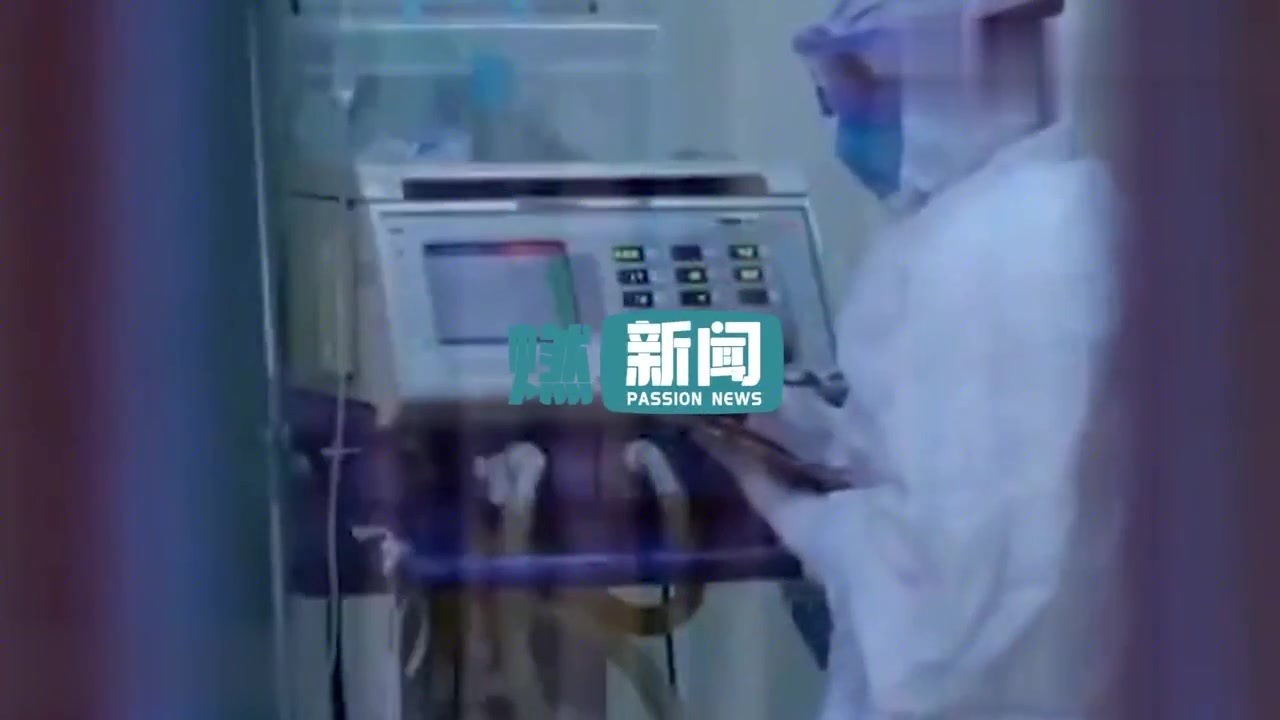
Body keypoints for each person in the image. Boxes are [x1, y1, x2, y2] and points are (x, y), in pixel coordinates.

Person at [692, 0, 1125, 718]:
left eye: (865, 79)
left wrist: (814, 523)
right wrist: (799, 430)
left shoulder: (970, 255)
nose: (843, 118)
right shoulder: (1080, 208)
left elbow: (944, 622)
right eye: (834, 82)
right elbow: (937, 461)